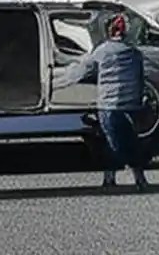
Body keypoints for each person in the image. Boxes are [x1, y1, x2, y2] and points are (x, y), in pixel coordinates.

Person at [56, 14, 148, 191]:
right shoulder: (134, 53)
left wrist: (58, 81)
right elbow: (140, 79)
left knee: (110, 142)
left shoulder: (102, 51)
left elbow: (83, 71)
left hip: (108, 105)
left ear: (108, 31)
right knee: (131, 142)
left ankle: (109, 179)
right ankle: (139, 178)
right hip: (131, 105)